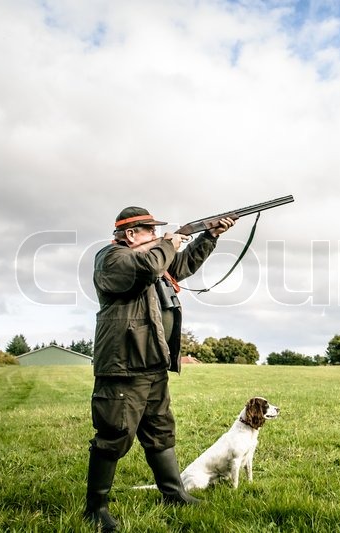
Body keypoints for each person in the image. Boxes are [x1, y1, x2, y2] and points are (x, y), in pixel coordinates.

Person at [84, 206, 235, 531]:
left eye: (157, 232)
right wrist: (168, 242)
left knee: (160, 433)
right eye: (149, 232)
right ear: (131, 235)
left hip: (153, 364)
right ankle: (95, 508)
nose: (155, 236)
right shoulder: (112, 260)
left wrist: (209, 236)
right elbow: (151, 264)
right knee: (114, 434)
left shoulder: (152, 259)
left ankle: (173, 494)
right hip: (123, 367)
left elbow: (180, 266)